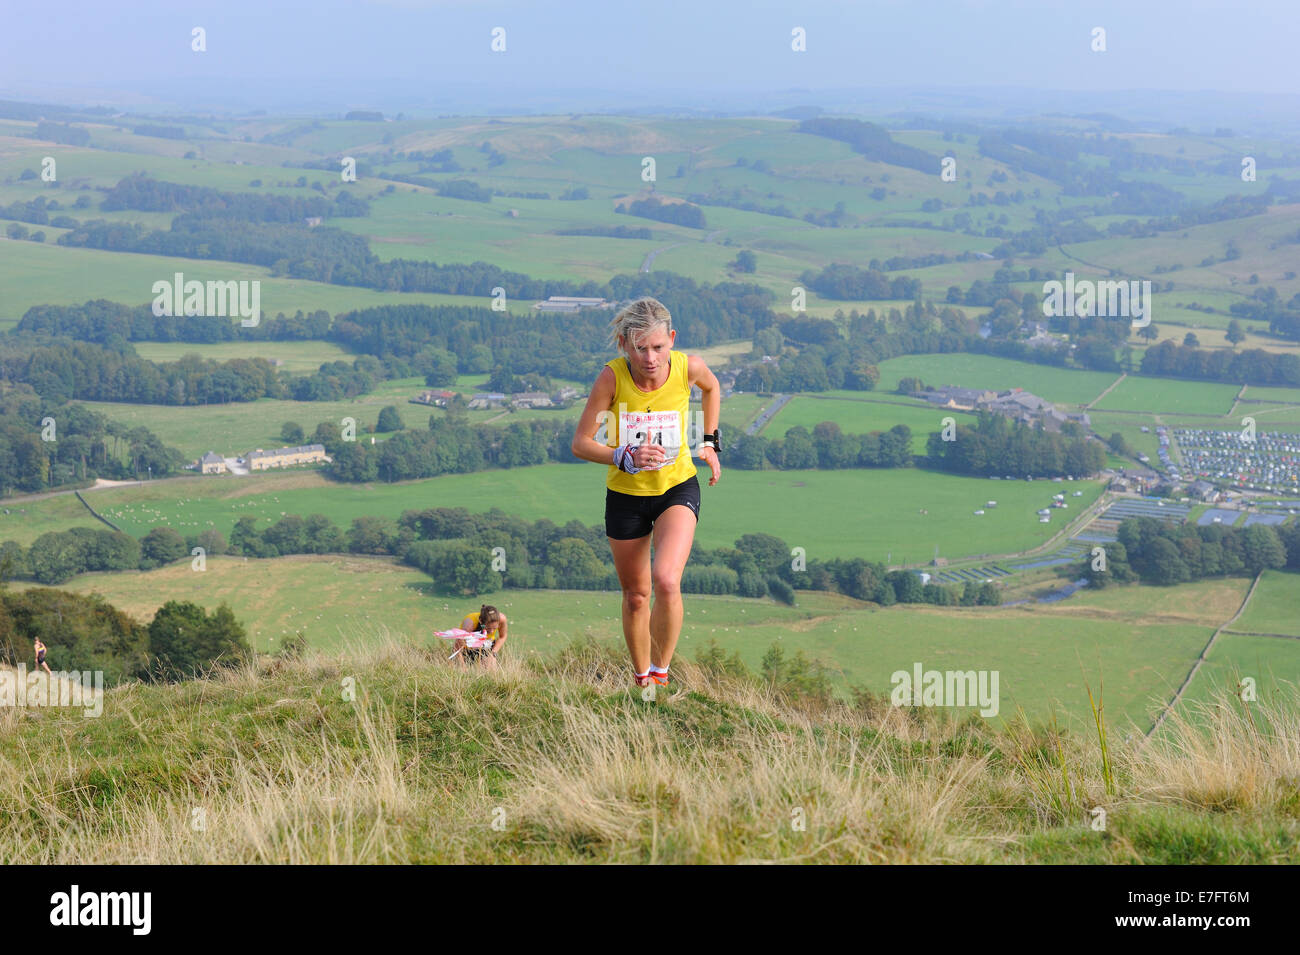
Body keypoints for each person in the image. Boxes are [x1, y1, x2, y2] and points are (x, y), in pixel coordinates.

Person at [569, 297, 722, 690]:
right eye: (640, 348)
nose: (650, 358)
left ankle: (661, 673)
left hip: (676, 488)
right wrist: (622, 455)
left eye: (658, 347)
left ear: (671, 339)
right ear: (624, 344)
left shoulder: (689, 368)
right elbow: (581, 444)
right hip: (626, 496)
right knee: (637, 595)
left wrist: (708, 442)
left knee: (667, 580)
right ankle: (642, 684)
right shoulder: (612, 378)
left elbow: (712, 387)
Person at [454, 604, 508, 671]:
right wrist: (463, 666)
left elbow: (502, 636)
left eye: (494, 628)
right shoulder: (469, 624)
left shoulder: (502, 619)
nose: (491, 631)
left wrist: (493, 654)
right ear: (480, 621)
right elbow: (457, 649)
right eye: (488, 628)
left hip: (487, 645)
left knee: (491, 669)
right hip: (467, 649)